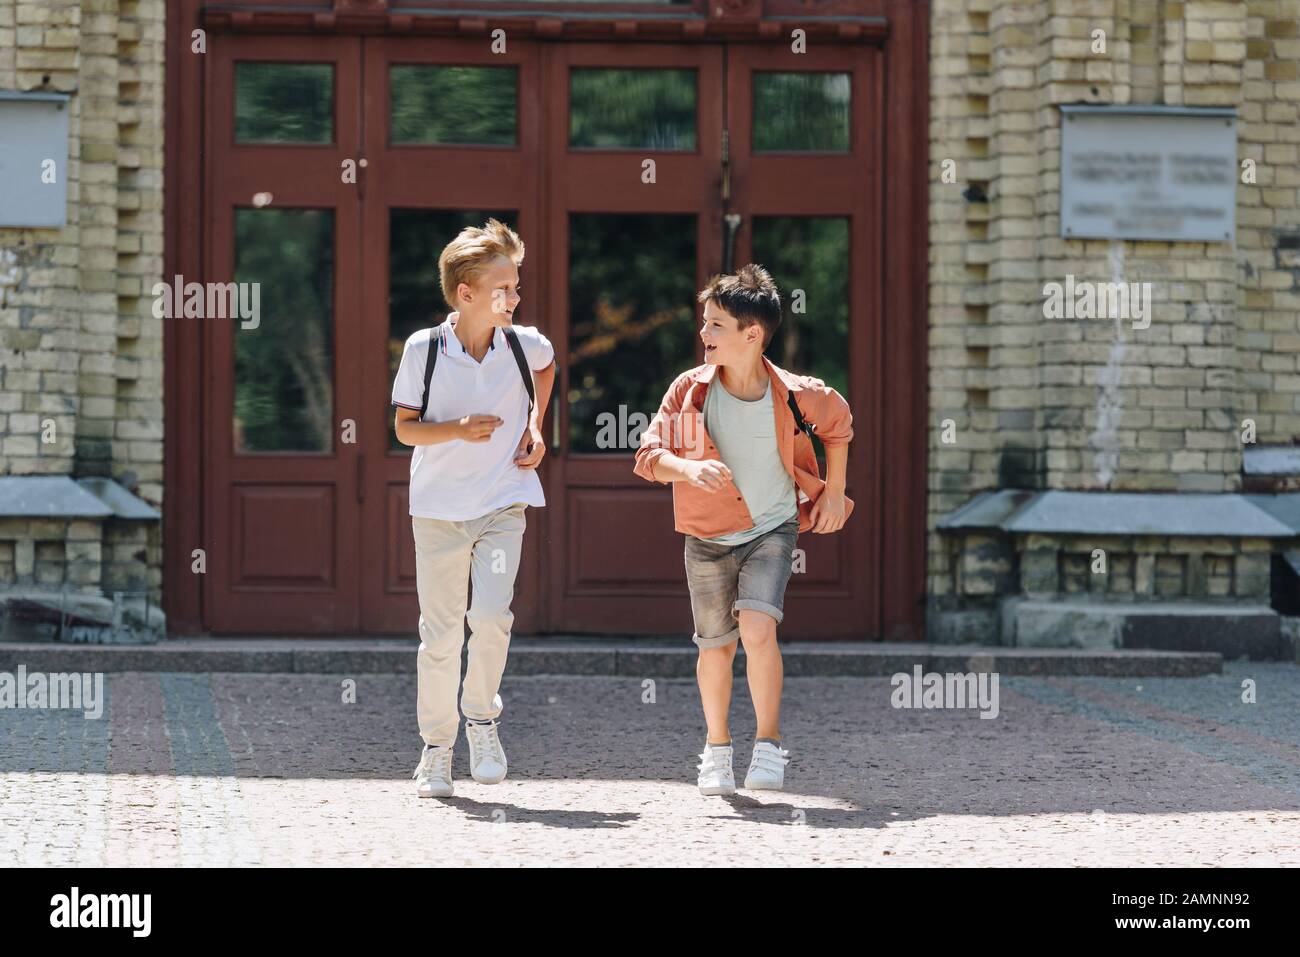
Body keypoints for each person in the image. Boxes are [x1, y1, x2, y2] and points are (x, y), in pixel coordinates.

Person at [633, 264, 853, 795]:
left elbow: (839, 424)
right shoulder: (690, 392)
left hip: (772, 530)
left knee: (758, 631)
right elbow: (648, 456)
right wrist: (686, 469)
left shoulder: (799, 395)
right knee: (715, 647)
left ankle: (770, 746)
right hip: (706, 537)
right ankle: (716, 749)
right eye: (704, 323)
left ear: (751, 335)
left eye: (714, 326)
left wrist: (835, 492)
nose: (703, 335)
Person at [391, 219, 555, 798]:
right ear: (466, 294)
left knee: (490, 617)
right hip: (437, 512)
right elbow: (404, 429)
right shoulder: (424, 349)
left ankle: (481, 719)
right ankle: (437, 749)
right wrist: (457, 429)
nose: (516, 297)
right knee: (439, 636)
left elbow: (548, 365)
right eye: (504, 289)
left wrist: (535, 426)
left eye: (516, 285)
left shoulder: (521, 343)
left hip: (503, 505)